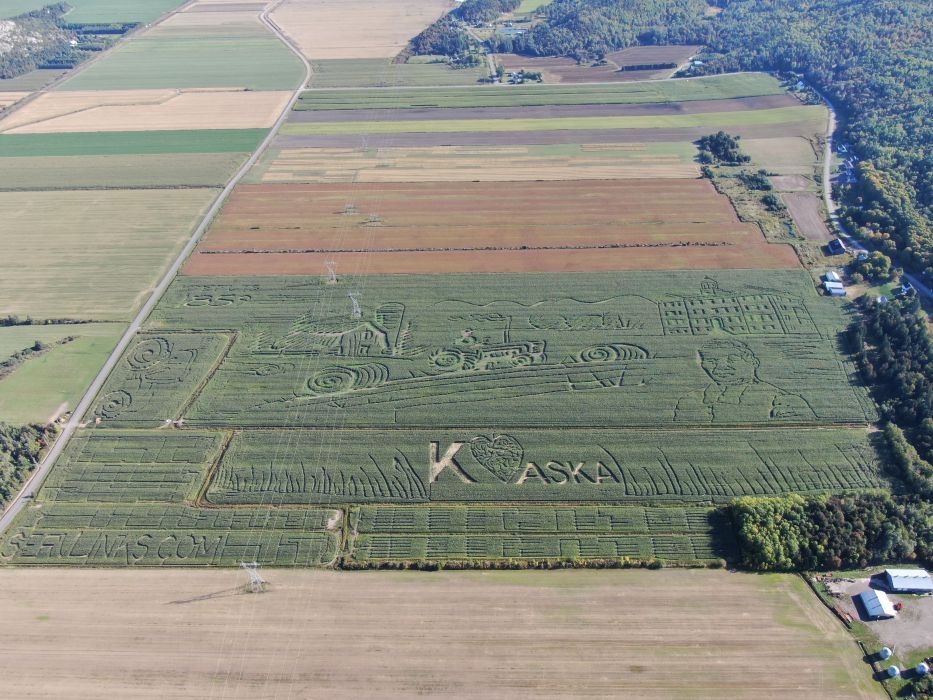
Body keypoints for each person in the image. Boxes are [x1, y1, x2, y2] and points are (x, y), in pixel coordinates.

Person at [674, 340, 814, 422]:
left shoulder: (784, 401)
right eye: (711, 361)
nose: (721, 367)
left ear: (753, 362)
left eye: (732, 359)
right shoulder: (690, 400)